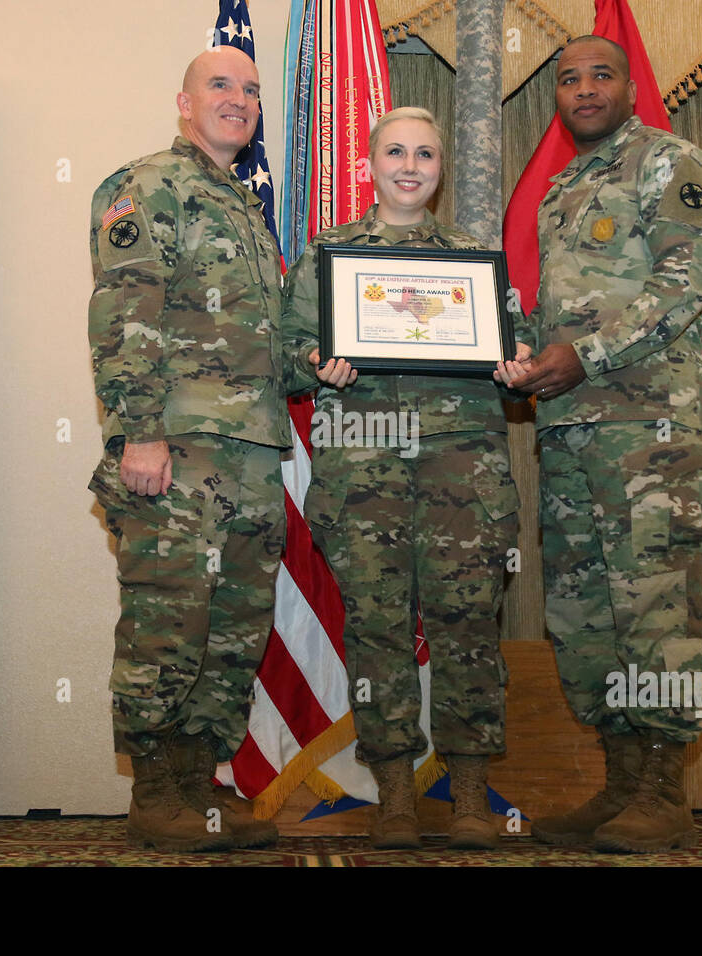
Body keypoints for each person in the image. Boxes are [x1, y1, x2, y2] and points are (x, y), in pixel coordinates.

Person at [283, 107, 527, 850]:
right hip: (364, 467)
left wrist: (516, 367)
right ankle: (393, 791)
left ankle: (469, 795)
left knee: (467, 628)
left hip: (465, 468)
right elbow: (287, 349)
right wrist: (317, 363)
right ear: (371, 163)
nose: (410, 165)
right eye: (395, 151)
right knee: (378, 627)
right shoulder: (330, 254)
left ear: (440, 167)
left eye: (425, 153)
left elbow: (520, 354)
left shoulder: (476, 259)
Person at [505, 35, 702, 853]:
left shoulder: (672, 163)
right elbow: (558, 314)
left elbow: (682, 286)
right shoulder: (561, 191)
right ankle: (621, 783)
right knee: (585, 614)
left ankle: (663, 792)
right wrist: (518, 355)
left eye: (601, 75)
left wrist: (582, 356)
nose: (584, 89)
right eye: (569, 79)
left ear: (630, 86)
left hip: (649, 436)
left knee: (656, 606)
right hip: (567, 436)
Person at [87, 45, 290, 853]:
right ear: (184, 101)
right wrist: (140, 431)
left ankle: (202, 780)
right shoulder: (145, 186)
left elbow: (260, 338)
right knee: (168, 619)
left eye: (248, 89)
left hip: (251, 450)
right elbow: (125, 311)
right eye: (220, 85)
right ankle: (157, 793)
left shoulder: (244, 206)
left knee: (234, 624)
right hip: (178, 447)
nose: (237, 100)